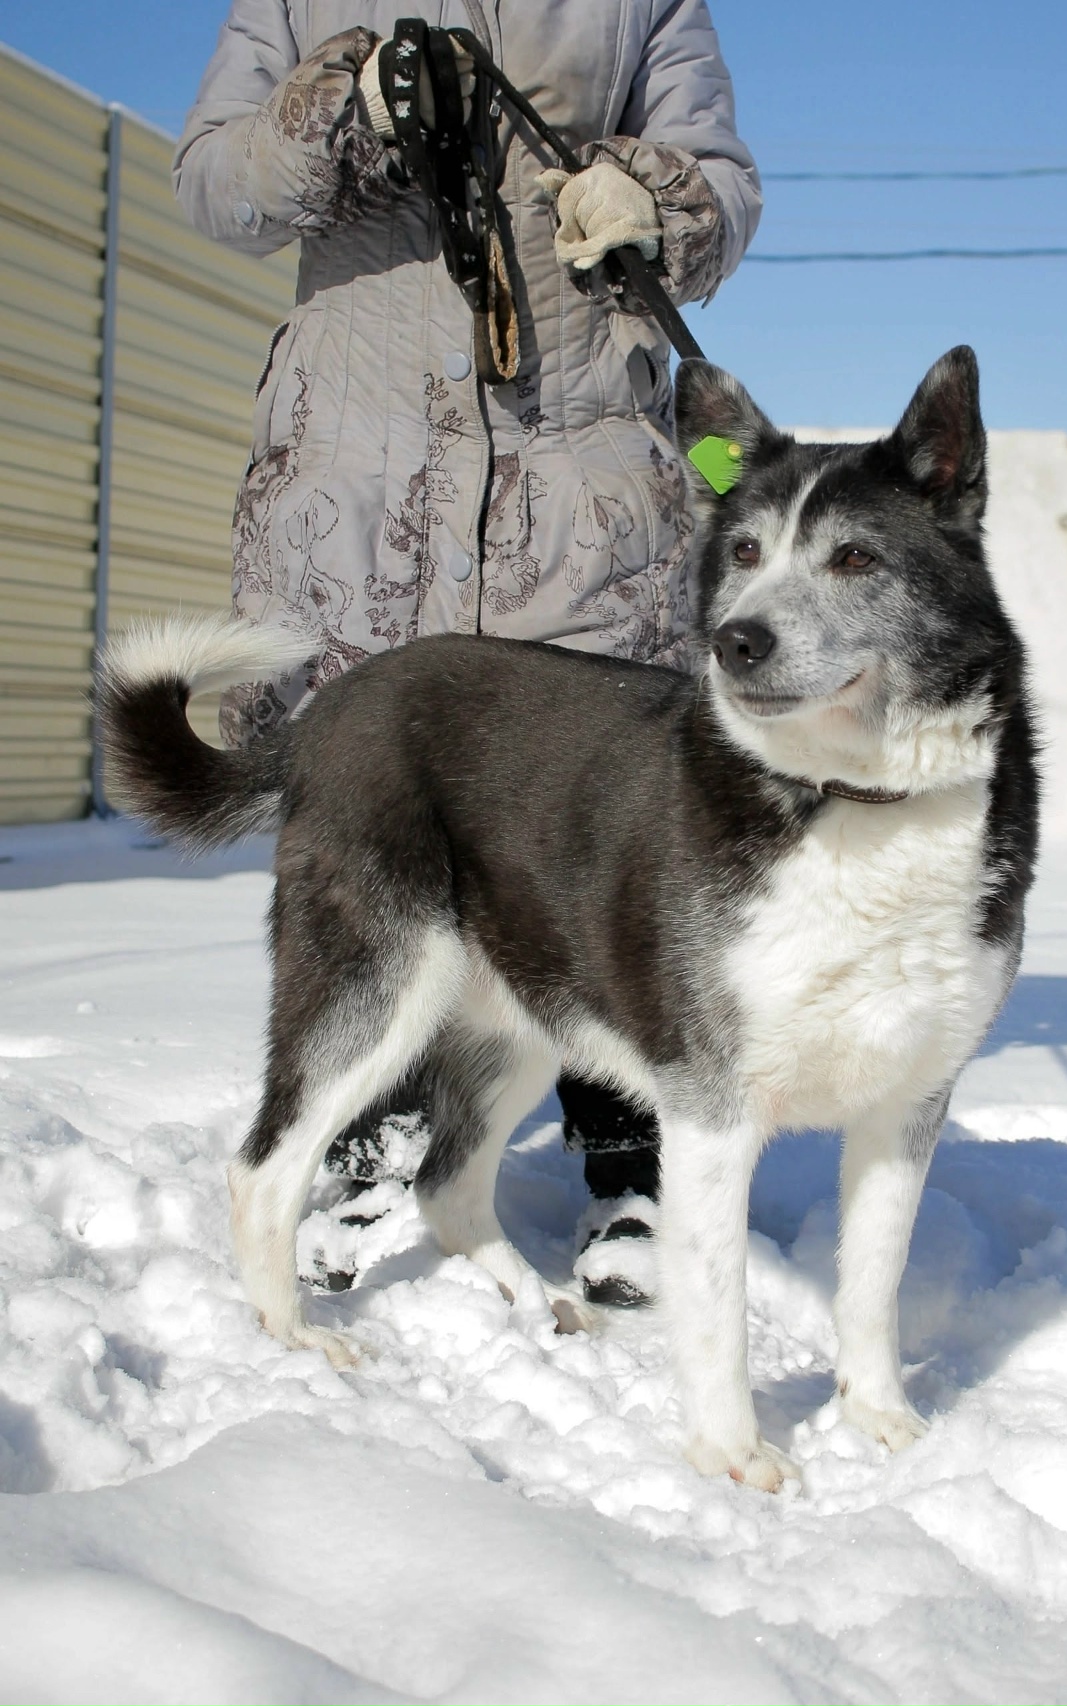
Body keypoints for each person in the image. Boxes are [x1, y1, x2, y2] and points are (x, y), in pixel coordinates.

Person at [175, 0, 761, 1305]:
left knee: (613, 823)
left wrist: (650, 197)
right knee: (373, 828)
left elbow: (723, 181)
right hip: (362, 487)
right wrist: (346, 105)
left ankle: (636, 1159)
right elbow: (212, 185)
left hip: (584, 487)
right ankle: (378, 1138)